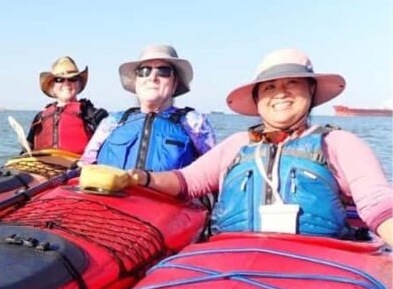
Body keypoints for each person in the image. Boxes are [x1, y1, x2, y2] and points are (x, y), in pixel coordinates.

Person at [116, 48, 393, 244]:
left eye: (292, 83)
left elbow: (379, 206)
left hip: (317, 269)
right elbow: (187, 182)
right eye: (269, 87)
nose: (281, 93)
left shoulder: (339, 143)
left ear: (311, 92)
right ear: (258, 99)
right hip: (233, 261)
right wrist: (141, 177)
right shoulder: (237, 144)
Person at [79, 44, 216, 171]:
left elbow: (214, 171)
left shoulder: (194, 122)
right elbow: (85, 165)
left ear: (174, 84)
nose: (153, 77)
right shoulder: (112, 122)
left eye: (164, 71)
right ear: (137, 82)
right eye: (144, 71)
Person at [26, 56, 108, 154]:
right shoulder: (40, 117)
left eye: (73, 79)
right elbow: (27, 150)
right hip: (43, 168)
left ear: (79, 84)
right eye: (59, 79)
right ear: (52, 85)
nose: (66, 83)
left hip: (80, 167)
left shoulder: (93, 114)